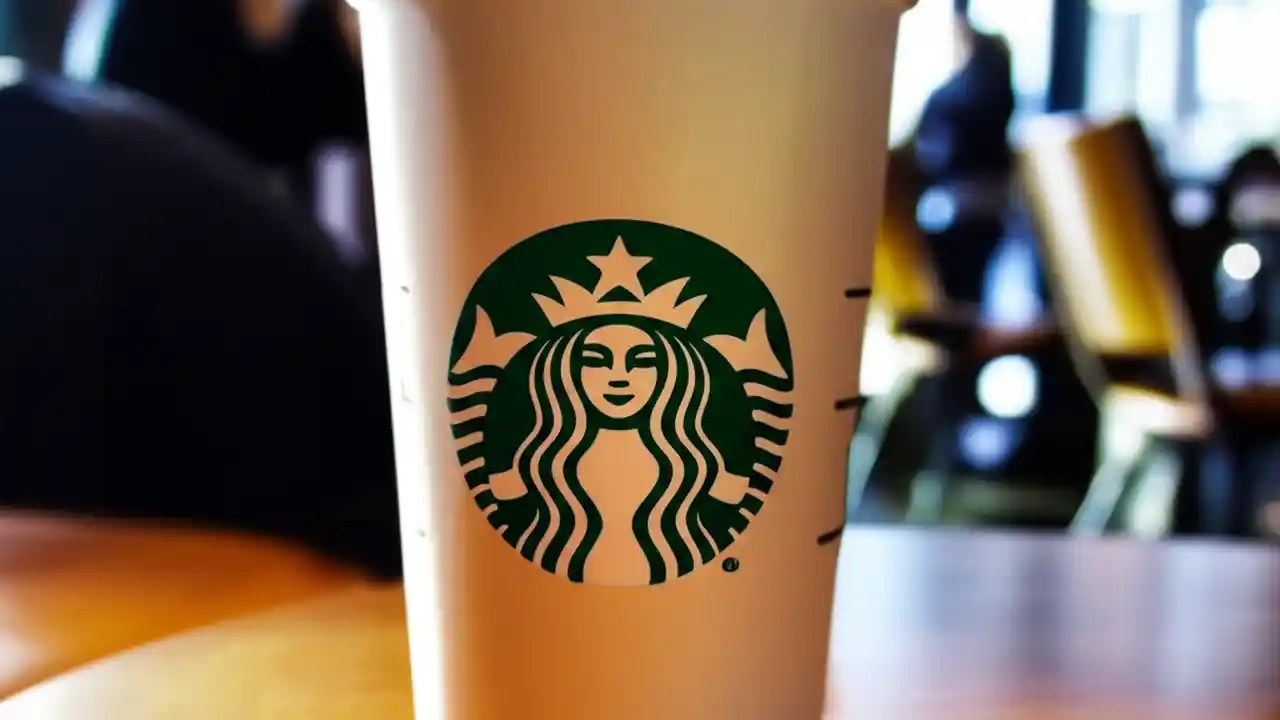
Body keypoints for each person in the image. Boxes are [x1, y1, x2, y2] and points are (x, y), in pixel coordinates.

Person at [0, 71, 399, 575]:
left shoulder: (31, 170)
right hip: (324, 513)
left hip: (333, 542)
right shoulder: (44, 133)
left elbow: (47, 497)